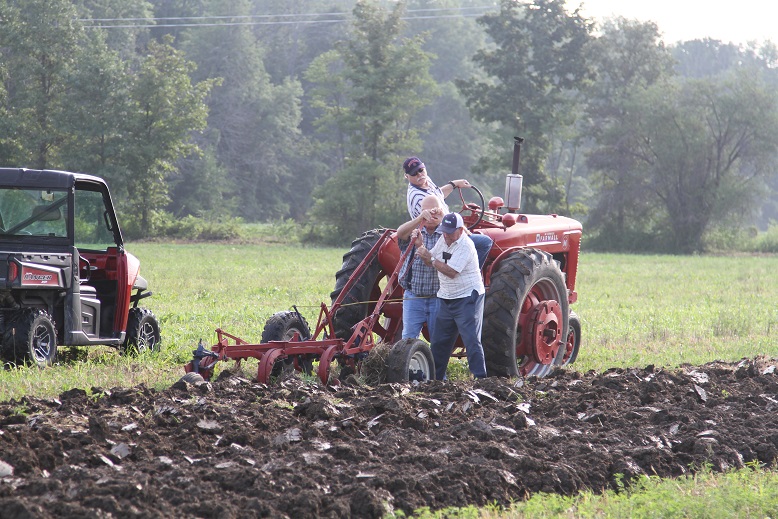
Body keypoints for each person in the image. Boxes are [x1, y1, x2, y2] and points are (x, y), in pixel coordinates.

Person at [416, 212, 487, 380]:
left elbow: (452, 272)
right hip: (446, 297)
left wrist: (431, 259)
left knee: (471, 341)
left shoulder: (466, 246)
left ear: (461, 230)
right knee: (439, 343)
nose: (446, 235)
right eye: (444, 230)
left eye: (449, 231)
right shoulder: (444, 239)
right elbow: (429, 260)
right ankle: (434, 379)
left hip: (467, 298)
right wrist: (420, 245)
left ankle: (481, 380)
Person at [403, 157, 493, 268]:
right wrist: (462, 229)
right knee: (485, 242)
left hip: (445, 228)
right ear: (407, 176)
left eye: (420, 170)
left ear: (424, 167)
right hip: (439, 236)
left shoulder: (425, 181)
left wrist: (454, 184)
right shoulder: (417, 197)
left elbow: (439, 194)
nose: (419, 175)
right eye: (414, 174)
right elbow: (435, 221)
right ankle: (467, 275)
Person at [395, 195, 444, 340]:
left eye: (433, 210)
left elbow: (465, 237)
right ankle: (409, 362)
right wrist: (419, 219)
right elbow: (399, 232)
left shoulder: (447, 232)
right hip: (413, 296)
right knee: (408, 339)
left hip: (438, 298)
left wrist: (443, 218)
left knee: (438, 340)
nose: (430, 214)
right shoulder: (413, 231)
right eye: (426, 211)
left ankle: (435, 363)